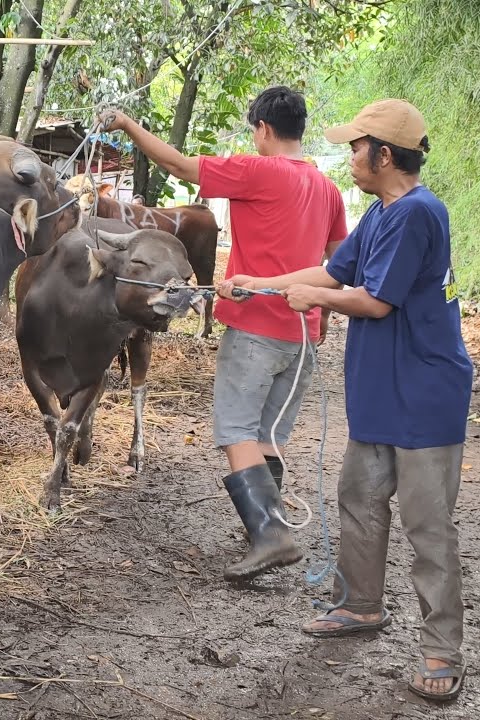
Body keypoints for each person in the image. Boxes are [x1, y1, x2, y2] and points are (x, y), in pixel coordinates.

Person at [218, 99, 472, 702]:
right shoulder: (382, 213)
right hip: (381, 391)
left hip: (425, 394)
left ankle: (442, 647)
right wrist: (260, 285)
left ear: (385, 155)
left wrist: (315, 299)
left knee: (428, 524)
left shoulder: (416, 214)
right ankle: (361, 605)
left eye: (356, 147)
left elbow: (373, 301)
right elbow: (332, 272)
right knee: (358, 496)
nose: (349, 157)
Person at [99, 86, 347, 581]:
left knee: (235, 431)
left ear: (263, 129)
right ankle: (264, 522)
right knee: (267, 435)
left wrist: (126, 124)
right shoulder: (328, 189)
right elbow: (339, 258)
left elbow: (181, 167)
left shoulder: (258, 170)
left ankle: (271, 536)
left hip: (255, 328)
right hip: (304, 333)